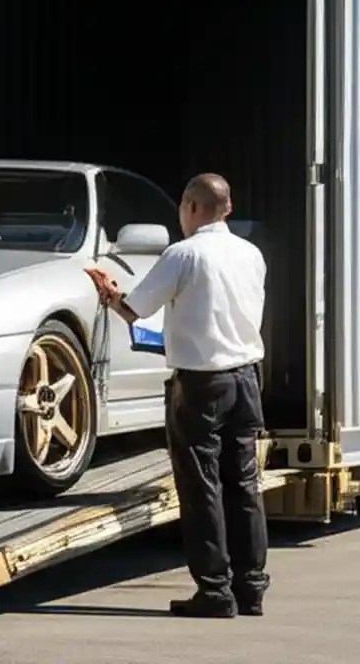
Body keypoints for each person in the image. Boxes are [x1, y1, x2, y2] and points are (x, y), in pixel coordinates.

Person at [85, 172, 269, 618]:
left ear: (191, 207)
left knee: (201, 486)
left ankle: (215, 591)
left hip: (202, 385)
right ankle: (251, 588)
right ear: (228, 208)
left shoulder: (183, 254)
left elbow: (137, 309)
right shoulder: (251, 254)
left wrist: (111, 294)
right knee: (244, 485)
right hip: (247, 380)